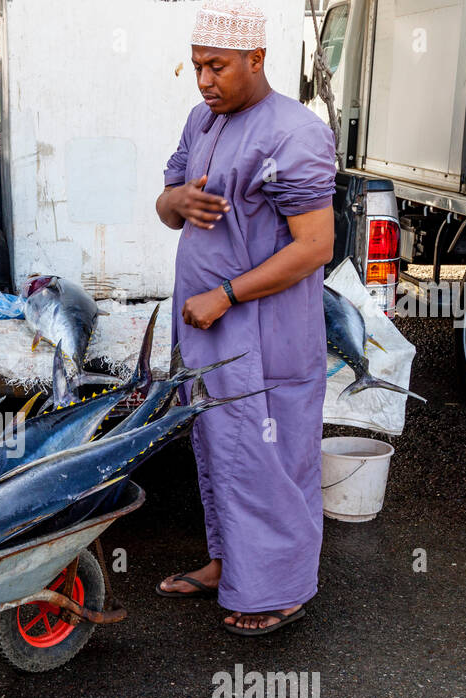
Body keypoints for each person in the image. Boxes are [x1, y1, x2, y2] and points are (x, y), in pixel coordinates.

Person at [153, 1, 335, 636]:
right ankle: (228, 564)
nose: (204, 79)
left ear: (257, 59)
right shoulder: (201, 120)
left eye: (218, 67)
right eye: (198, 65)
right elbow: (166, 206)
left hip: (265, 335)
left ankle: (278, 590)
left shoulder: (295, 133)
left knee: (271, 454)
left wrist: (226, 295)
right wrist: (175, 199)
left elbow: (315, 247)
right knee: (217, 445)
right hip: (208, 336)